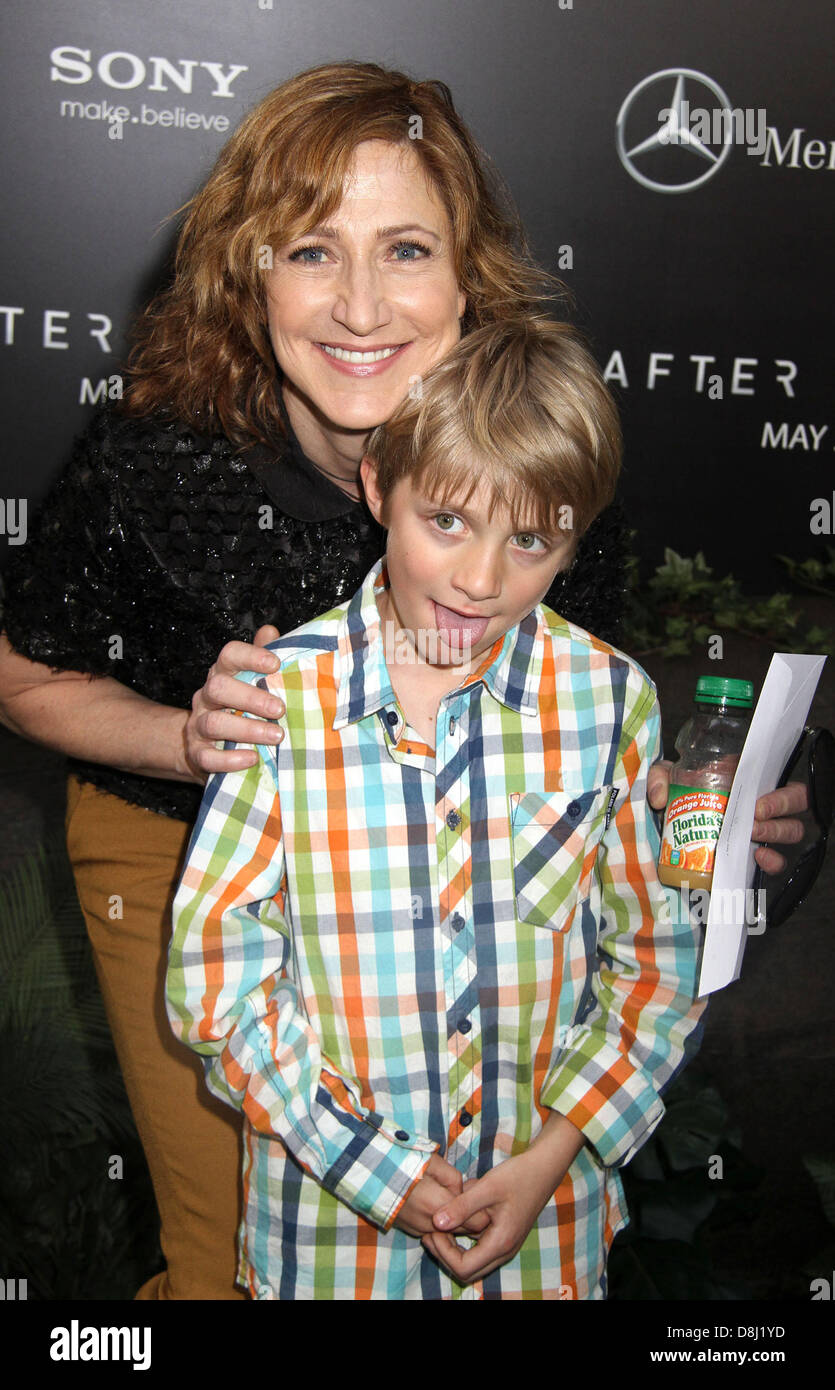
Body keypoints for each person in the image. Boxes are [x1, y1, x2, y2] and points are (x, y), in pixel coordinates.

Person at [0, 62, 805, 1301]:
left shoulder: (531, 460)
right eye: (312, 252)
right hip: (178, 824)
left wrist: (682, 817)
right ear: (247, 274)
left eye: (408, 249)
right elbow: (22, 674)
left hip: (447, 858)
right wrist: (189, 738)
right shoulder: (159, 458)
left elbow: (578, 747)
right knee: (231, 1248)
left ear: (467, 272)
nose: (363, 304)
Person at [167, 315, 707, 1300]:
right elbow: (218, 976)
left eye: (531, 540)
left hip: (551, 1237)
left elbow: (657, 963)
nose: (479, 579)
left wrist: (553, 1153)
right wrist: (380, 1169)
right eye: (447, 521)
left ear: (573, 541)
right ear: (381, 487)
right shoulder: (279, 697)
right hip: (332, 1253)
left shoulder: (609, 700)